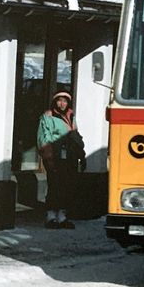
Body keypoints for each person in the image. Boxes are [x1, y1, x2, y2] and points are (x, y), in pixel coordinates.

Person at [37, 92, 85, 229]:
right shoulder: (47, 117)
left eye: (65, 101)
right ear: (55, 102)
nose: (62, 104)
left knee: (67, 186)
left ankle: (62, 216)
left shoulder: (70, 116)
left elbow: (76, 137)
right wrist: (49, 158)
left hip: (69, 158)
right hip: (55, 157)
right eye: (59, 101)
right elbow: (44, 138)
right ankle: (51, 216)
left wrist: (81, 154)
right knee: (54, 185)